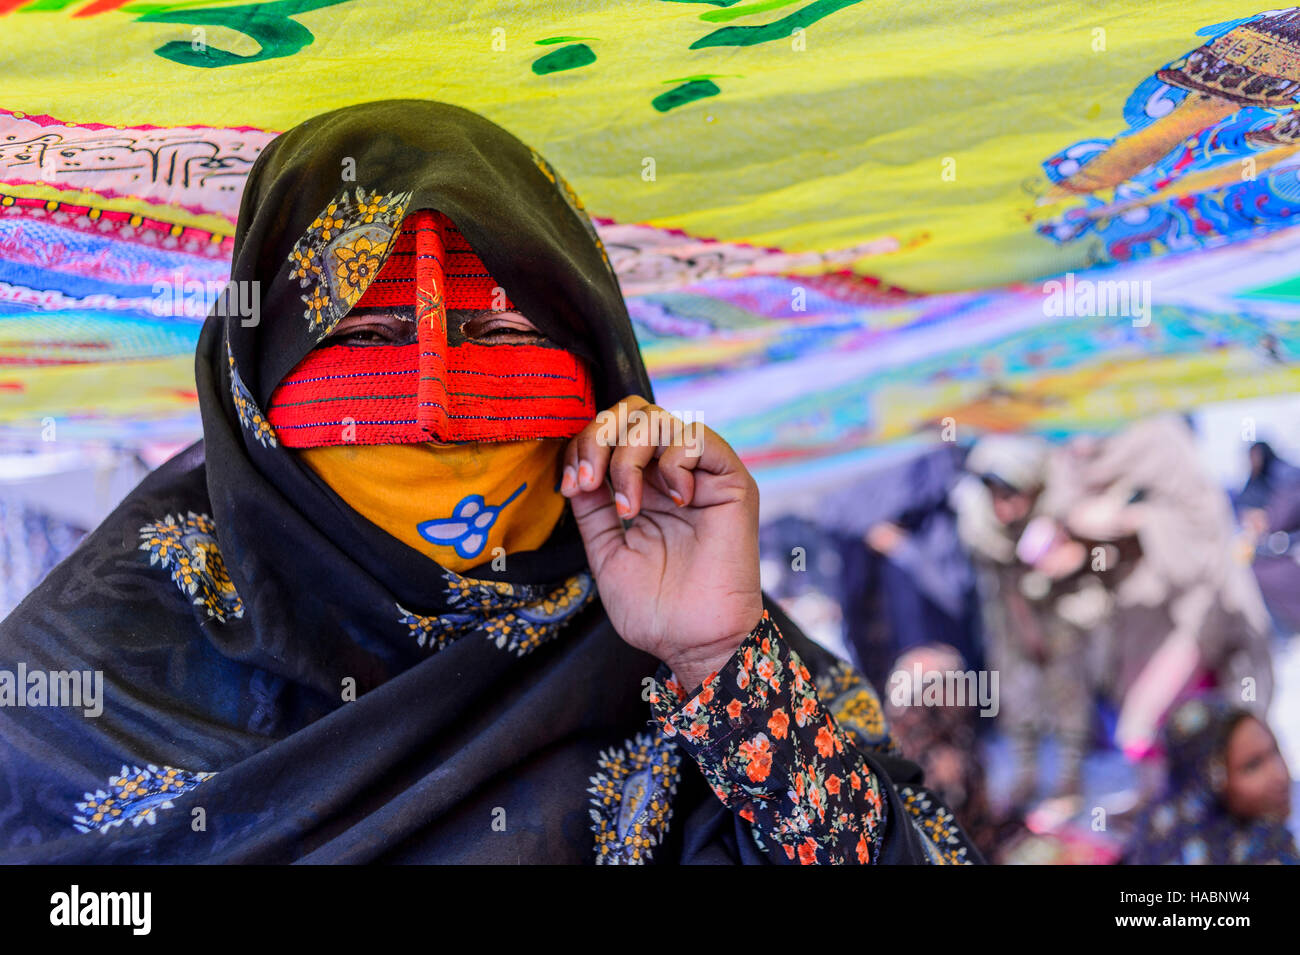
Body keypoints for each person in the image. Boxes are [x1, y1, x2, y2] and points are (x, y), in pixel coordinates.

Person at [0, 100, 979, 864]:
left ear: (599, 363)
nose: (435, 407)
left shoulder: (697, 647)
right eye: (365, 335)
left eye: (503, 332)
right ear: (254, 383)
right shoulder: (77, 688)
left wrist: (718, 658)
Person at [952, 434, 1100, 808]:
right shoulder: (980, 523)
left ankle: (1070, 778)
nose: (1005, 507)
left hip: (1058, 607)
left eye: (1014, 495)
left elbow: (1086, 549)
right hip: (1007, 615)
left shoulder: (1058, 500)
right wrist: (1025, 628)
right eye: (997, 496)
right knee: (1015, 696)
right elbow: (1002, 577)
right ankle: (1026, 777)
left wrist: (1062, 553)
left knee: (1068, 691)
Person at [1123, 697, 1297, 865]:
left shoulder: (1151, 830)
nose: (1280, 775)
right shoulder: (1264, 847)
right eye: (1252, 766)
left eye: (1275, 751)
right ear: (1207, 781)